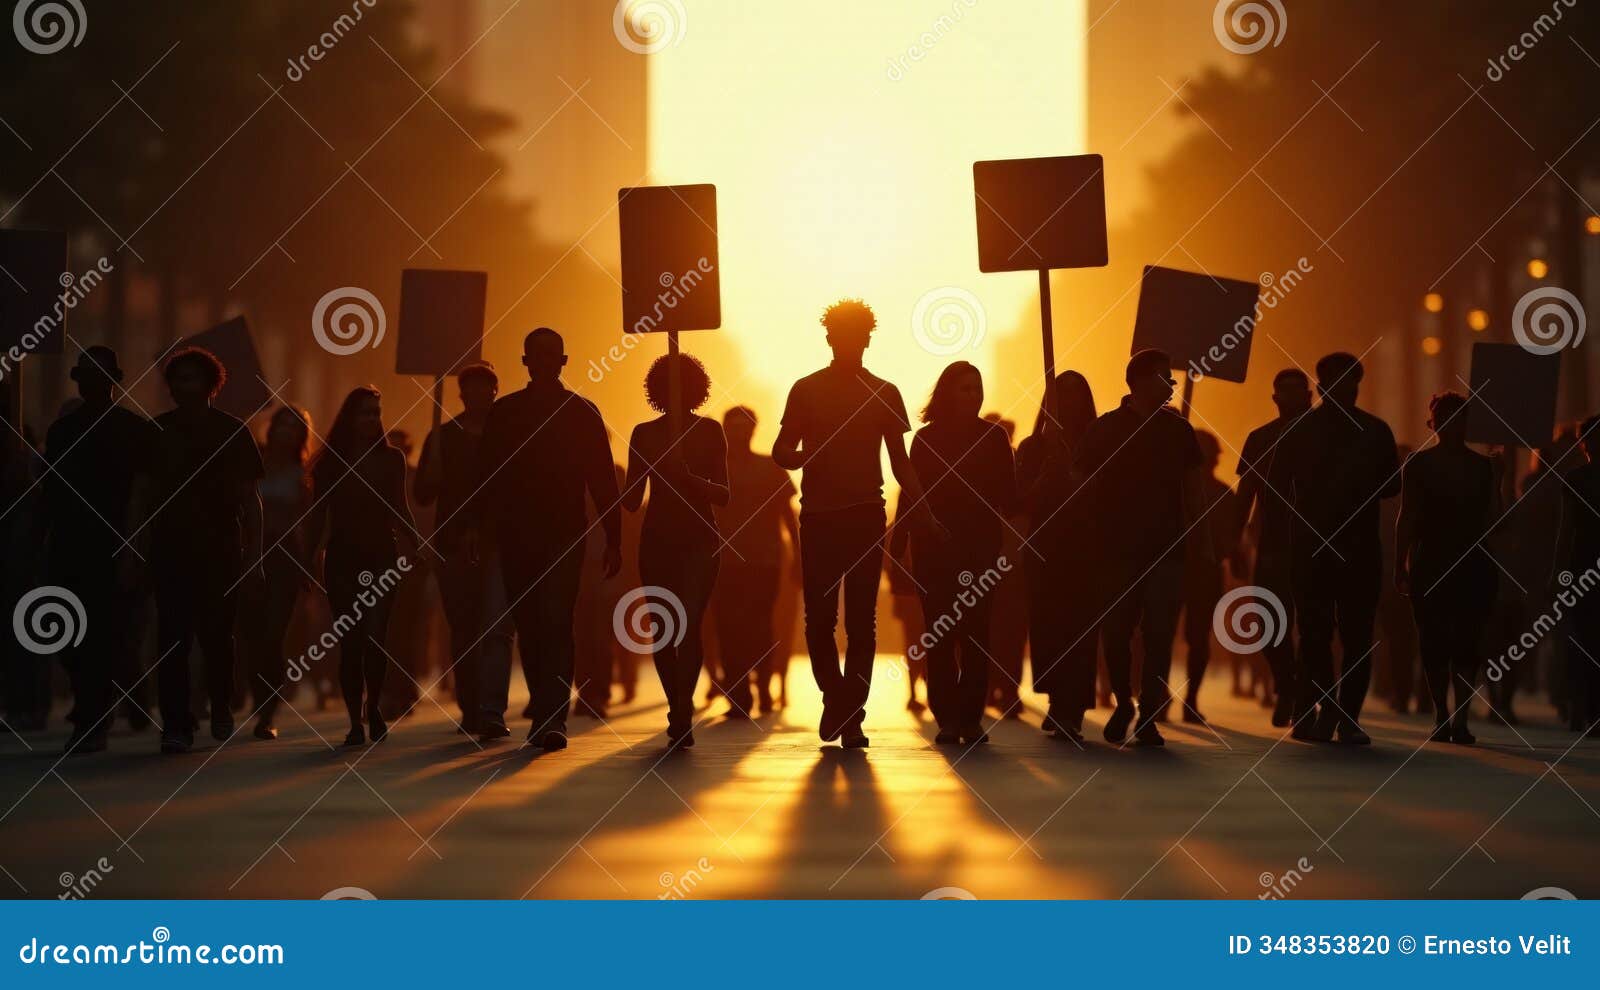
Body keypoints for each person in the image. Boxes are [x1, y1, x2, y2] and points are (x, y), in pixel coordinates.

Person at [773, 299, 941, 748]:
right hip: (820, 518)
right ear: (830, 339)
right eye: (843, 336)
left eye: (860, 335)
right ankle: (840, 699)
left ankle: (851, 714)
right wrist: (807, 455)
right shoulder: (805, 390)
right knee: (819, 620)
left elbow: (900, 461)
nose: (852, 343)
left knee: (862, 622)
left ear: (868, 338)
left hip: (867, 516)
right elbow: (781, 451)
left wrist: (921, 506)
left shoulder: (885, 392)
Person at [468, 328, 622, 751]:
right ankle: (544, 704)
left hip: (564, 536)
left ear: (564, 361)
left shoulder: (582, 413)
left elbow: (603, 480)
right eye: (538, 354)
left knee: (556, 621)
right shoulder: (506, 414)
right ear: (526, 361)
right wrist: (480, 531)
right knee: (531, 625)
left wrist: (614, 536)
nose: (545, 361)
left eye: (553, 354)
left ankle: (553, 717)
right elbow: (487, 477)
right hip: (515, 536)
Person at [1075, 350, 1210, 747]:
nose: (1172, 384)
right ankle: (1123, 702)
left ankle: (1149, 713)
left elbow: (1194, 492)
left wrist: (1203, 546)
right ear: (1142, 381)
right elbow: (1082, 485)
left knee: (1159, 633)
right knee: (1115, 633)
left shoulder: (1179, 431)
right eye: (1165, 377)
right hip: (1114, 550)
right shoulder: (1104, 429)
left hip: (1167, 549)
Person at [134, 347, 264, 755]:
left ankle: (220, 703)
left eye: (190, 378)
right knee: (172, 639)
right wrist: (131, 549)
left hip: (221, 551)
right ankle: (175, 723)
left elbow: (250, 500)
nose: (181, 386)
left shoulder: (233, 431)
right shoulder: (157, 432)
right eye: (176, 379)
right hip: (170, 550)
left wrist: (254, 557)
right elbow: (141, 498)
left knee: (217, 638)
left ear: (211, 385)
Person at [1278, 352, 1401, 745]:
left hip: (1328, 547)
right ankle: (1340, 712)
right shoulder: (1373, 431)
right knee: (1339, 634)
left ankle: (1337, 710)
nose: (1348, 390)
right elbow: (1392, 487)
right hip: (1340, 547)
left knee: (1331, 634)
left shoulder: (1303, 432)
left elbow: (1279, 493)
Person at [41, 347, 157, 753]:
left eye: (98, 375)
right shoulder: (61, 432)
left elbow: (145, 496)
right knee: (69, 639)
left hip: (116, 544)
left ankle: (93, 720)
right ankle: (110, 701)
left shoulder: (134, 430)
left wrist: (135, 549)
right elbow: (48, 495)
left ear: (112, 382)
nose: (90, 383)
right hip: (70, 546)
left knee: (107, 637)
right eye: (84, 376)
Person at [899, 362, 1017, 744]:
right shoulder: (926, 440)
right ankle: (947, 716)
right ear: (948, 393)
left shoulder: (995, 438)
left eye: (977, 388)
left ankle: (971, 717)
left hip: (980, 549)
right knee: (940, 634)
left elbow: (1009, 498)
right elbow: (910, 492)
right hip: (934, 548)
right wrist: (898, 543)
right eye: (965, 388)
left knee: (977, 635)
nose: (973, 395)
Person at [621, 354, 728, 747]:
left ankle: (683, 703)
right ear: (657, 392)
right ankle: (677, 705)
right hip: (658, 540)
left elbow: (724, 494)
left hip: (700, 539)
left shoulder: (710, 432)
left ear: (696, 391)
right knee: (663, 628)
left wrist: (690, 478)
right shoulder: (644, 434)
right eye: (667, 387)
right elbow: (632, 500)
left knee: (692, 622)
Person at [306, 387, 416, 747]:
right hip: (342, 559)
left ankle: (375, 708)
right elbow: (318, 514)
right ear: (350, 419)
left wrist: (414, 544)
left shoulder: (392, 460)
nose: (372, 419)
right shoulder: (330, 463)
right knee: (350, 641)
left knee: (376, 637)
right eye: (365, 413)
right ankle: (355, 718)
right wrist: (309, 557)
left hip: (382, 556)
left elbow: (400, 506)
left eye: (376, 412)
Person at [1395, 392, 1498, 745]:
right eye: (1445, 419)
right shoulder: (1418, 464)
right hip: (1431, 559)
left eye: (1458, 419)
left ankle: (1461, 717)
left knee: (1467, 641)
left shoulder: (1484, 467)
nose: (1451, 427)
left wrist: (1500, 478)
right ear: (1433, 425)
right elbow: (1406, 516)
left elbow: (1494, 520)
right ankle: (1442, 711)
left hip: (1471, 561)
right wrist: (1401, 564)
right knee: (1434, 640)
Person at [415, 363, 510, 734]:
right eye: (472, 390)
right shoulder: (442, 437)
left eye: (487, 389)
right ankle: (470, 706)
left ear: (495, 392)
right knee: (463, 626)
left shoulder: (506, 437)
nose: (480, 396)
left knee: (497, 625)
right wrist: (433, 467)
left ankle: (491, 711)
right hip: (452, 544)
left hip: (498, 542)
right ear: (461, 394)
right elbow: (424, 494)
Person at [1018, 371, 1098, 742]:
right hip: (1044, 547)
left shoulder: (1099, 444)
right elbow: (1020, 502)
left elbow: (1105, 496)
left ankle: (1075, 706)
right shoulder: (1034, 448)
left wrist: (1072, 472)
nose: (1068, 404)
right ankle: (1056, 698)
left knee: (1080, 628)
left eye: (1075, 396)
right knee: (1048, 626)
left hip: (1085, 548)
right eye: (1061, 396)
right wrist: (1047, 473)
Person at [1234, 368, 1311, 726]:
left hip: (1316, 546)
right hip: (1272, 546)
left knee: (1314, 627)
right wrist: (1234, 543)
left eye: (1300, 391)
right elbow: (1245, 494)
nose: (1294, 398)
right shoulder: (1259, 439)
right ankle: (1287, 684)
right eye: (1287, 392)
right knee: (1269, 625)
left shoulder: (1324, 438)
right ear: (1275, 398)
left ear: (1310, 396)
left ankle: (1303, 696)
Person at [714, 405, 799, 717]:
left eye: (743, 427)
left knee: (760, 626)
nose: (738, 433)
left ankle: (763, 687)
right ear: (724, 431)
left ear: (753, 430)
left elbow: (788, 516)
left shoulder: (772, 468)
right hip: (723, 563)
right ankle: (738, 694)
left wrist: (799, 557)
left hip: (765, 561)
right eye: (732, 427)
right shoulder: (711, 469)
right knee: (727, 628)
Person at [242, 404, 313, 740]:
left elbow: (311, 523)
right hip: (248, 556)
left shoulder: (304, 473)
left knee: (273, 635)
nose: (286, 432)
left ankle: (267, 711)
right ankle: (254, 694)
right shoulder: (253, 462)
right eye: (282, 425)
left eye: (294, 427)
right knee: (249, 634)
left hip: (285, 559)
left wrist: (311, 565)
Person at [1180, 430, 1237, 725]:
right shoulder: (1175, 492)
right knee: (1189, 637)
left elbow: (1231, 537)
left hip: (1201, 572)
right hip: (1182, 570)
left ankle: (1185, 698)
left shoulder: (1222, 495)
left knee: (1194, 637)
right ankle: (1181, 698)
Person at [982, 414, 1028, 718]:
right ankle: (992, 687)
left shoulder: (1018, 474)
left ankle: (1007, 688)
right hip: (986, 563)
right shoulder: (977, 473)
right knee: (990, 630)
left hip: (1012, 565)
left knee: (1010, 631)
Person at [1561, 415, 1600, 736]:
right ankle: (1588, 708)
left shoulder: (1574, 480)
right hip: (1582, 568)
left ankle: (1588, 709)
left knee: (1584, 641)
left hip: (1582, 567)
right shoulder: (1573, 481)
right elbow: (1567, 531)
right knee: (1584, 640)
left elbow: (1566, 532)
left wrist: (1558, 571)